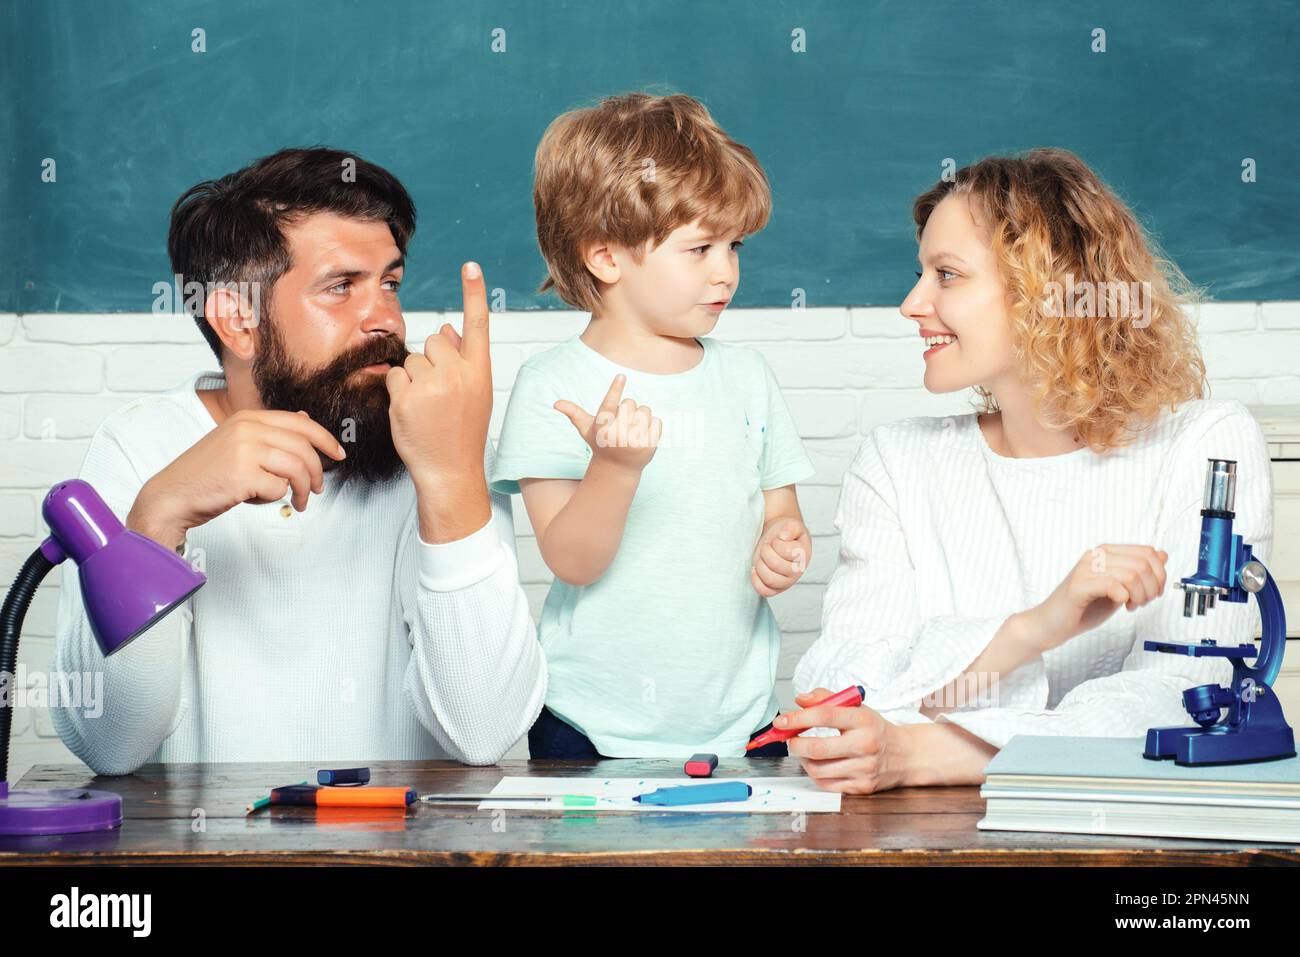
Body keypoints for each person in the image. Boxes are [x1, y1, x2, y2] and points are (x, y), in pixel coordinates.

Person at [783, 148, 1274, 793]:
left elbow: (1197, 695)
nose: (911, 303)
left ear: (1050, 294)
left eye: (947, 275)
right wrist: (1033, 629)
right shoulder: (897, 461)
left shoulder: (1205, 445)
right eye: (921, 272)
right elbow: (842, 696)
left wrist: (925, 755)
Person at [52, 147, 545, 775]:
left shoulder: (439, 435)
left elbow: (483, 731)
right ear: (238, 319)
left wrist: (451, 477)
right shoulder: (137, 448)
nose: (386, 320)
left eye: (390, 283)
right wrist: (155, 523)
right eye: (342, 287)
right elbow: (110, 746)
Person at [489, 93, 815, 758]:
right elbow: (573, 561)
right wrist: (614, 467)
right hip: (588, 724)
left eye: (734, 246)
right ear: (606, 258)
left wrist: (785, 542)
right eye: (698, 248)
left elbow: (780, 508)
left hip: (741, 720)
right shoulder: (553, 385)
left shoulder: (746, 376)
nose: (726, 271)